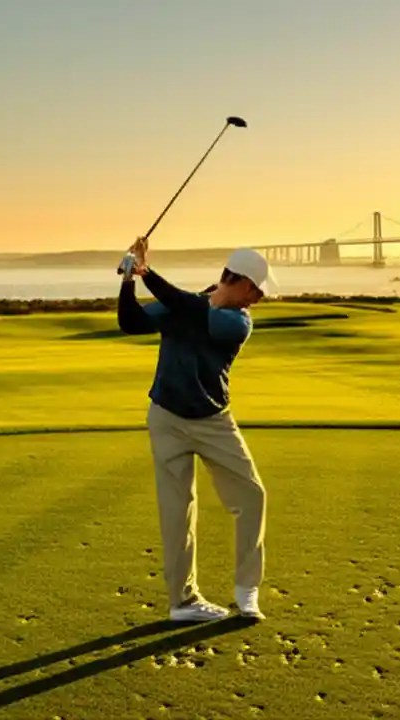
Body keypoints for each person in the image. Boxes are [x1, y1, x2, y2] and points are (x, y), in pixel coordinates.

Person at [116, 237, 276, 622]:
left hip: (213, 422)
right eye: (257, 290)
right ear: (240, 281)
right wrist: (129, 279)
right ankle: (183, 602)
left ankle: (247, 591)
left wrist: (146, 272)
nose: (259, 299)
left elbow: (192, 310)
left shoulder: (237, 321)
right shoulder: (186, 305)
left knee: (252, 495)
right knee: (176, 513)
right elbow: (130, 322)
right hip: (166, 418)